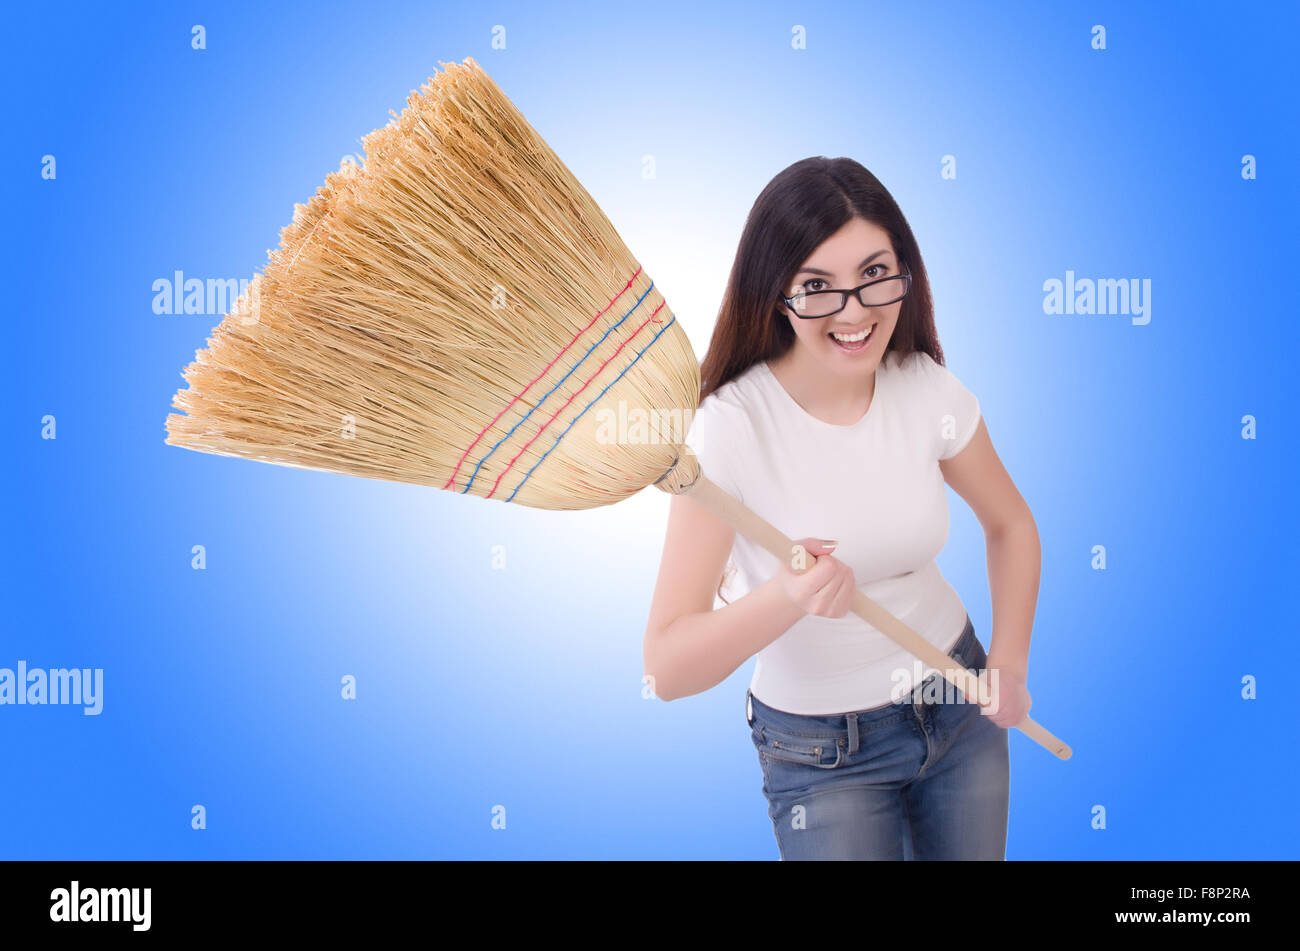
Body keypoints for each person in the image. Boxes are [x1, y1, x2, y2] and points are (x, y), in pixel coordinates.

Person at [641, 157, 1041, 860]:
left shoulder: (922, 385)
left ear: (904, 271)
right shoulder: (726, 429)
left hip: (958, 706)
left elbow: (1011, 524)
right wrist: (789, 598)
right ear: (775, 294)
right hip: (823, 757)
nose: (854, 312)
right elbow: (666, 668)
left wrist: (1007, 662)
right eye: (818, 287)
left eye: (875, 274)